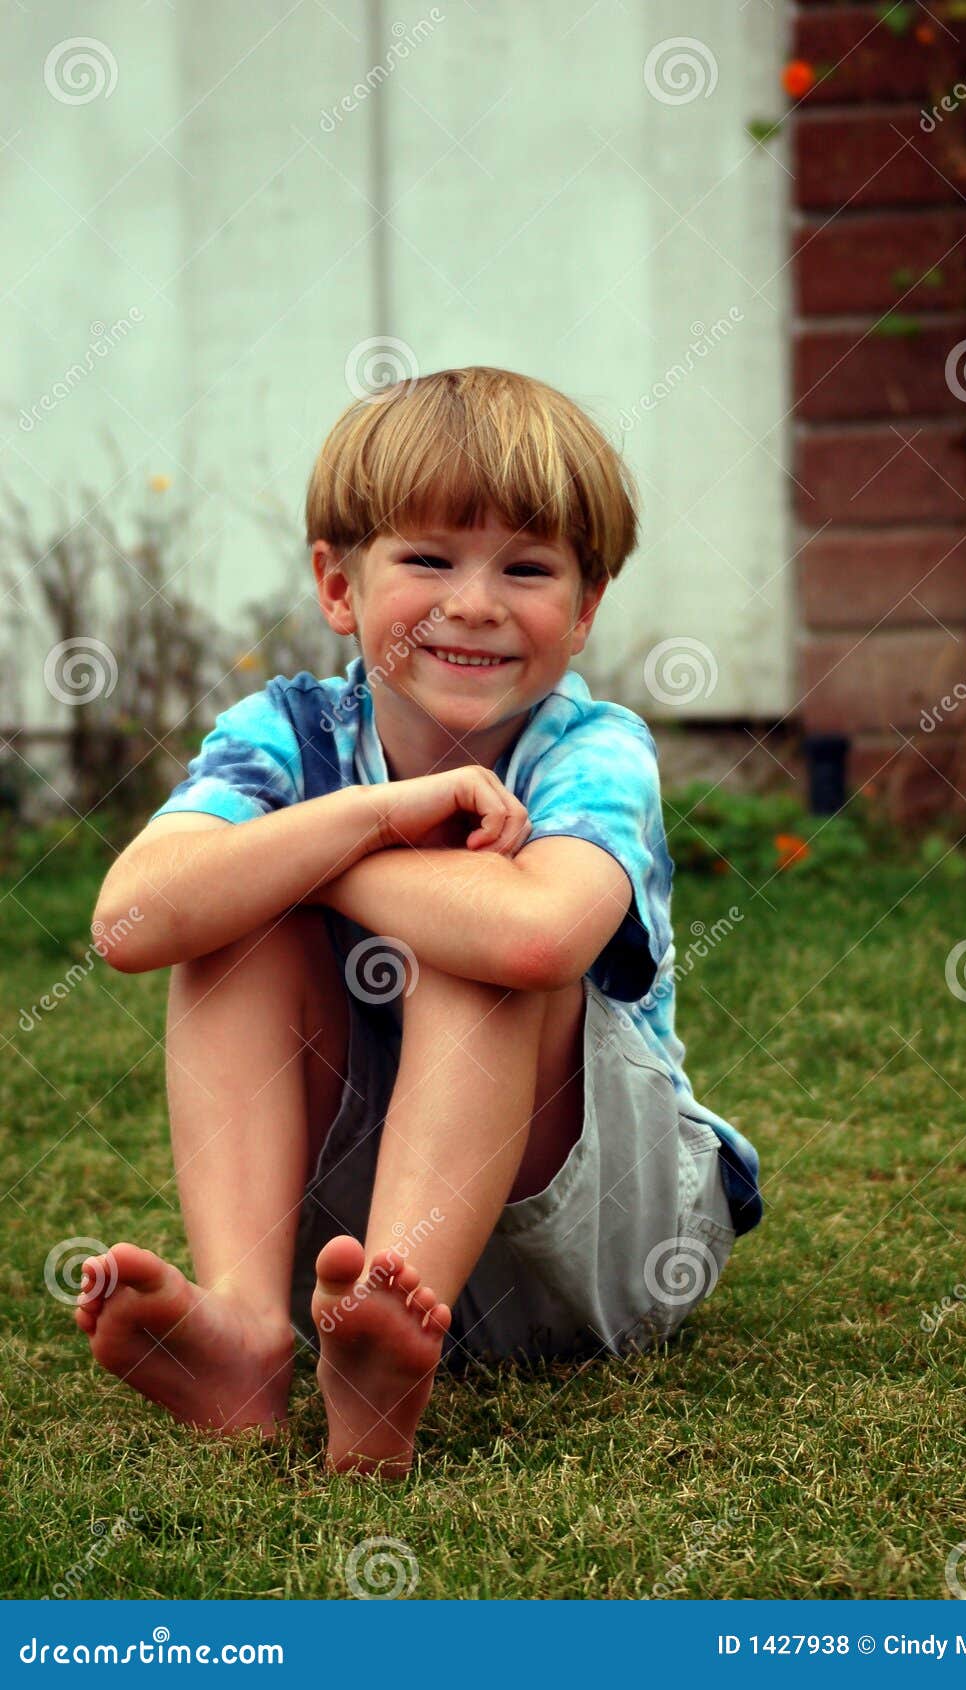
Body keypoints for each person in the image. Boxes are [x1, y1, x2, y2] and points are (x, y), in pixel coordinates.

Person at [75, 366, 761, 1478]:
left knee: (477, 934)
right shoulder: (286, 733)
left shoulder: (592, 750)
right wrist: (374, 814)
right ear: (338, 588)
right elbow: (132, 919)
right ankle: (254, 1330)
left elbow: (536, 939)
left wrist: (318, 857)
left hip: (597, 1238)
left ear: (583, 609)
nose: (476, 603)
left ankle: (391, 1311)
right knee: (233, 930)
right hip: (338, 1255)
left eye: (527, 568)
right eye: (429, 558)